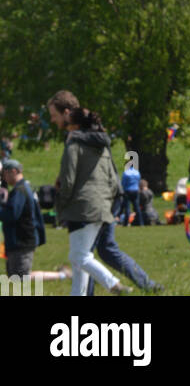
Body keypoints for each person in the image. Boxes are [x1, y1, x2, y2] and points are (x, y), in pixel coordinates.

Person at [48, 92, 129, 296]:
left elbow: (67, 180)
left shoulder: (74, 144)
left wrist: (60, 202)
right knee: (80, 258)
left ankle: (115, 285)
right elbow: (111, 176)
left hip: (82, 206)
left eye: (53, 115)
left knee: (79, 257)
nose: (52, 119)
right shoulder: (99, 145)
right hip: (101, 204)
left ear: (68, 116)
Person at [120, 161, 143, 226]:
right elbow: (138, 181)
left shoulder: (126, 173)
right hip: (135, 190)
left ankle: (126, 223)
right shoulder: (137, 172)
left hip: (128, 191)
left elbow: (123, 183)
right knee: (137, 207)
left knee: (127, 207)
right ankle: (141, 223)